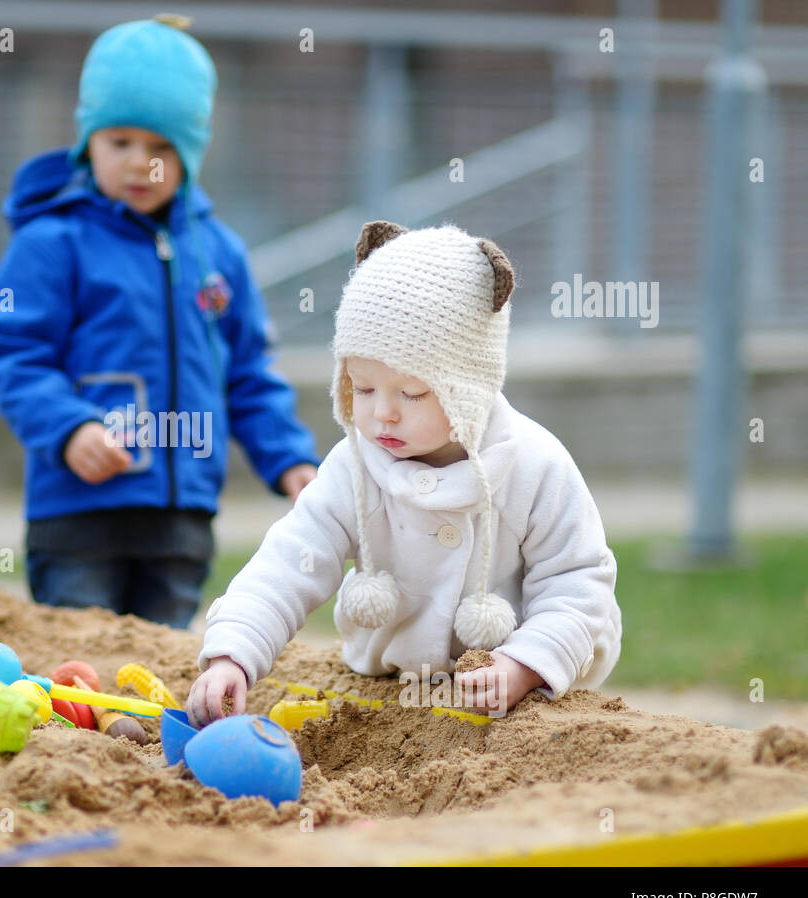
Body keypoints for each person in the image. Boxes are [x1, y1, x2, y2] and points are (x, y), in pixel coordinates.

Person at [187, 220, 623, 726]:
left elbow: (577, 577)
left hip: (515, 697)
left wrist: (525, 664)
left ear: (469, 385)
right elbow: (289, 562)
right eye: (362, 388)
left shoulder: (534, 466)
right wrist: (232, 653)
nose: (381, 414)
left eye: (411, 393)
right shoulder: (354, 465)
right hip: (393, 684)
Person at [0, 15, 319, 630]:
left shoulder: (220, 254)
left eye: (162, 148)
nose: (142, 165)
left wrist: (290, 458)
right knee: (77, 667)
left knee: (159, 668)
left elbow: (248, 373)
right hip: (78, 513)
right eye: (121, 143)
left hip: (181, 520)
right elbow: (13, 356)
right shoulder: (52, 243)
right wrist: (69, 428)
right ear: (88, 142)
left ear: (191, 151)